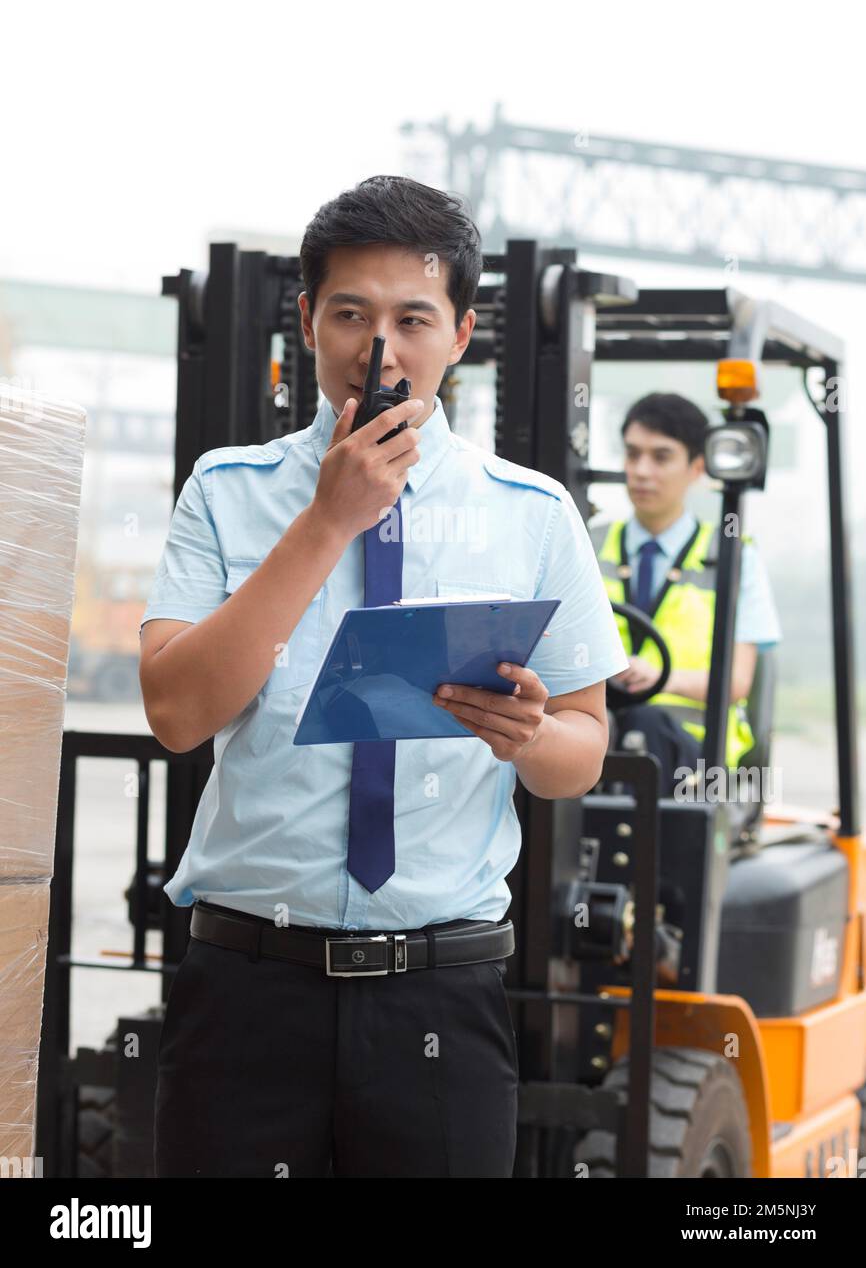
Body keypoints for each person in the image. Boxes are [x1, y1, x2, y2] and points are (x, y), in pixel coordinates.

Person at [139, 174, 629, 1178]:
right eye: (351, 314)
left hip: (437, 995)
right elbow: (178, 713)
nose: (382, 347)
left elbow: (579, 754)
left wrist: (530, 734)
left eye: (412, 317)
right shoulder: (227, 492)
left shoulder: (529, 515)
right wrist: (327, 521)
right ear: (308, 321)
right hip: (247, 985)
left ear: (460, 332)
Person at [590, 391, 782, 797]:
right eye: (632, 454)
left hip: (698, 759)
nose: (641, 471)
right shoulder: (587, 545)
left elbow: (736, 681)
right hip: (601, 734)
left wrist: (662, 679)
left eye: (660, 457)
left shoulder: (731, 556)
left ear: (697, 467)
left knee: (646, 727)